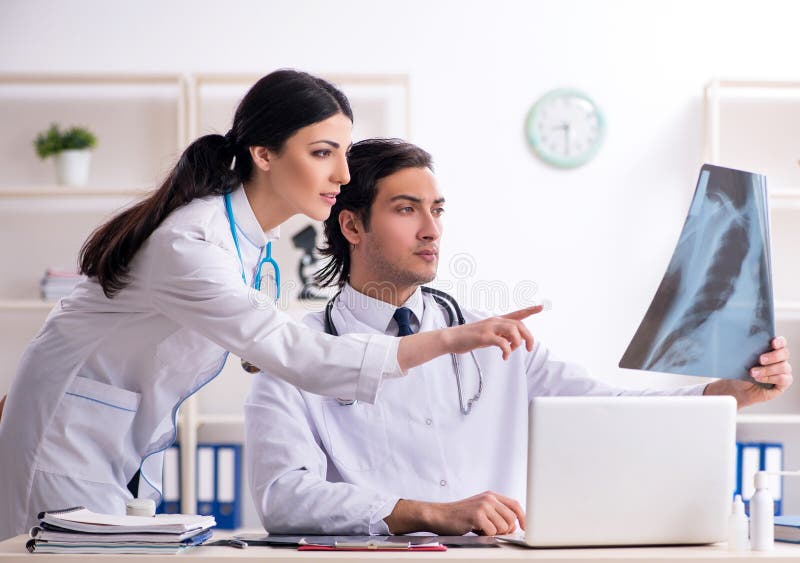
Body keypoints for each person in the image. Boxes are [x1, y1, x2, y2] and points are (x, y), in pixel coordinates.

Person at [0, 73, 540, 541]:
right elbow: (298, 353)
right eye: (322, 152)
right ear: (263, 154)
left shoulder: (246, 241)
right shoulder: (192, 243)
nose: (343, 174)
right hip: (65, 441)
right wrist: (448, 339)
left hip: (110, 439)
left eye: (344, 153)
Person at [244, 138, 793, 536]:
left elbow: (609, 408)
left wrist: (726, 394)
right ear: (352, 225)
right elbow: (283, 496)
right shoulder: (293, 353)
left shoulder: (496, 340)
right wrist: (424, 512)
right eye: (406, 209)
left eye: (437, 210)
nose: (431, 229)